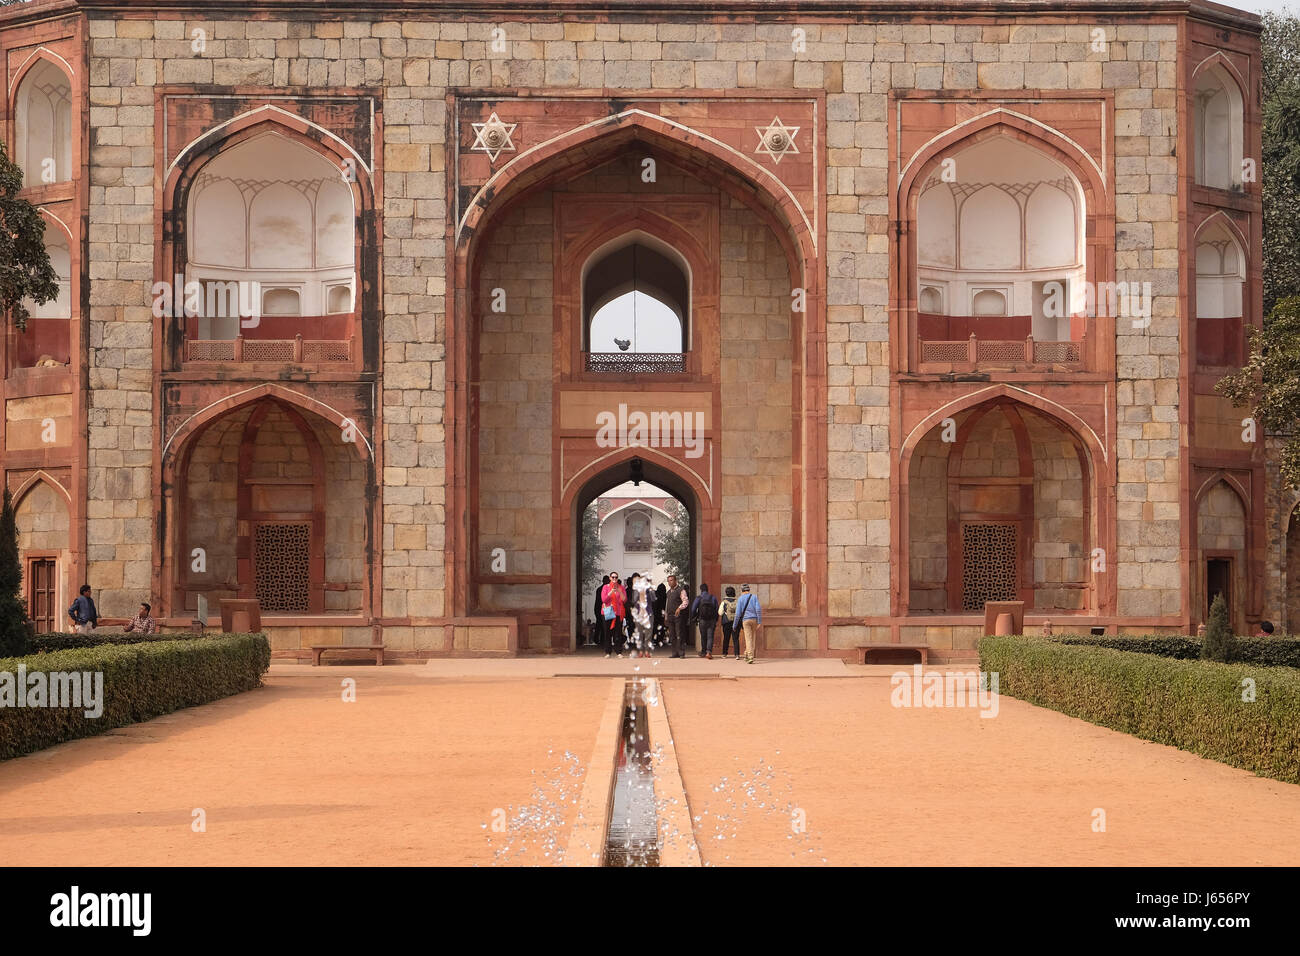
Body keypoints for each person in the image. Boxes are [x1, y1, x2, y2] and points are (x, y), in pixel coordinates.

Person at [601, 572, 627, 658]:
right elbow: (604, 599)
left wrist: (620, 591)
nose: (614, 579)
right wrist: (611, 592)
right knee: (607, 633)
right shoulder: (606, 587)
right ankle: (608, 652)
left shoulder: (621, 587)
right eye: (613, 577)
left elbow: (624, 600)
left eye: (616, 577)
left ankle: (618, 651)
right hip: (608, 612)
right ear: (610, 578)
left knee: (618, 633)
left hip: (618, 613)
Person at [691, 584, 720, 659]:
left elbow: (693, 609)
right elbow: (717, 609)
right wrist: (716, 619)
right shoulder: (713, 597)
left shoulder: (699, 598)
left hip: (702, 620)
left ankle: (703, 652)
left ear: (701, 589)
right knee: (710, 636)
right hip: (712, 620)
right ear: (707, 589)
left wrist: (694, 617)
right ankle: (709, 652)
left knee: (703, 636)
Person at [735, 583, 762, 664]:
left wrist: (735, 624)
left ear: (742, 590)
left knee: (748, 638)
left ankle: (750, 656)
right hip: (754, 619)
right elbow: (758, 609)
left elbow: (738, 613)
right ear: (748, 590)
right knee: (752, 638)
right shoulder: (754, 597)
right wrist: (759, 621)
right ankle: (747, 654)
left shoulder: (740, 599)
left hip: (746, 620)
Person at [664, 574, 689, 658]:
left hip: (678, 616)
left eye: (671, 580)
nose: (669, 582)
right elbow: (667, 605)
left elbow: (685, 601)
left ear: (675, 581)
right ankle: (675, 653)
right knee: (672, 635)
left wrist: (679, 608)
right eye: (668, 581)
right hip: (670, 616)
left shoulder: (681, 590)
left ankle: (681, 653)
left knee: (679, 634)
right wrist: (666, 617)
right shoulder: (668, 592)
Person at [629, 576, 655, 658]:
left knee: (648, 633)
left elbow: (654, 599)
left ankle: (647, 650)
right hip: (639, 614)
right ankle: (640, 650)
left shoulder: (650, 590)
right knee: (639, 633)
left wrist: (650, 588)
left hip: (648, 614)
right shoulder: (636, 590)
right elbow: (633, 600)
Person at [719, 586, 739, 659]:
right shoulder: (737, 601)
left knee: (726, 638)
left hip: (726, 622)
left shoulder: (724, 602)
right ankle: (737, 654)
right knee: (735, 638)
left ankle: (724, 653)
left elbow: (720, 613)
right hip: (735, 621)